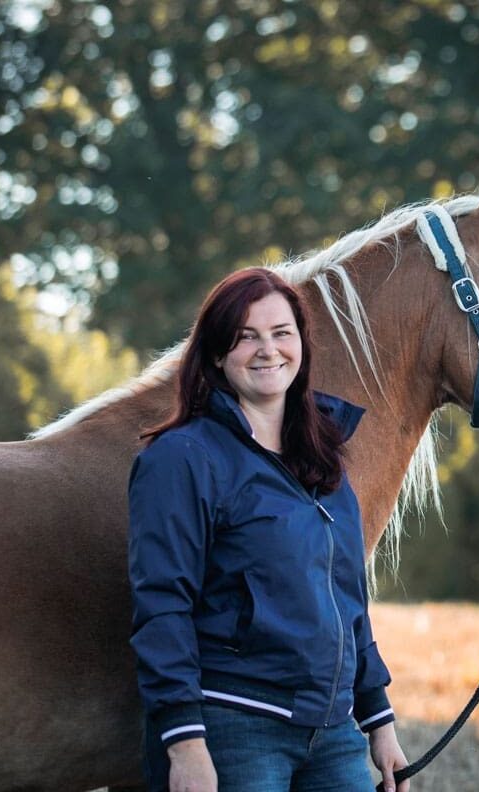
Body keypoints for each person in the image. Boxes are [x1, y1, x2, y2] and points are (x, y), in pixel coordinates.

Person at [128, 267, 409, 792]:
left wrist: (379, 721)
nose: (268, 350)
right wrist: (185, 744)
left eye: (282, 333)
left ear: (300, 344)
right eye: (246, 336)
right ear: (216, 353)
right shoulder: (182, 459)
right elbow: (162, 606)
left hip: (332, 734)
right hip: (234, 728)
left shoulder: (324, 464)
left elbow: (349, 604)